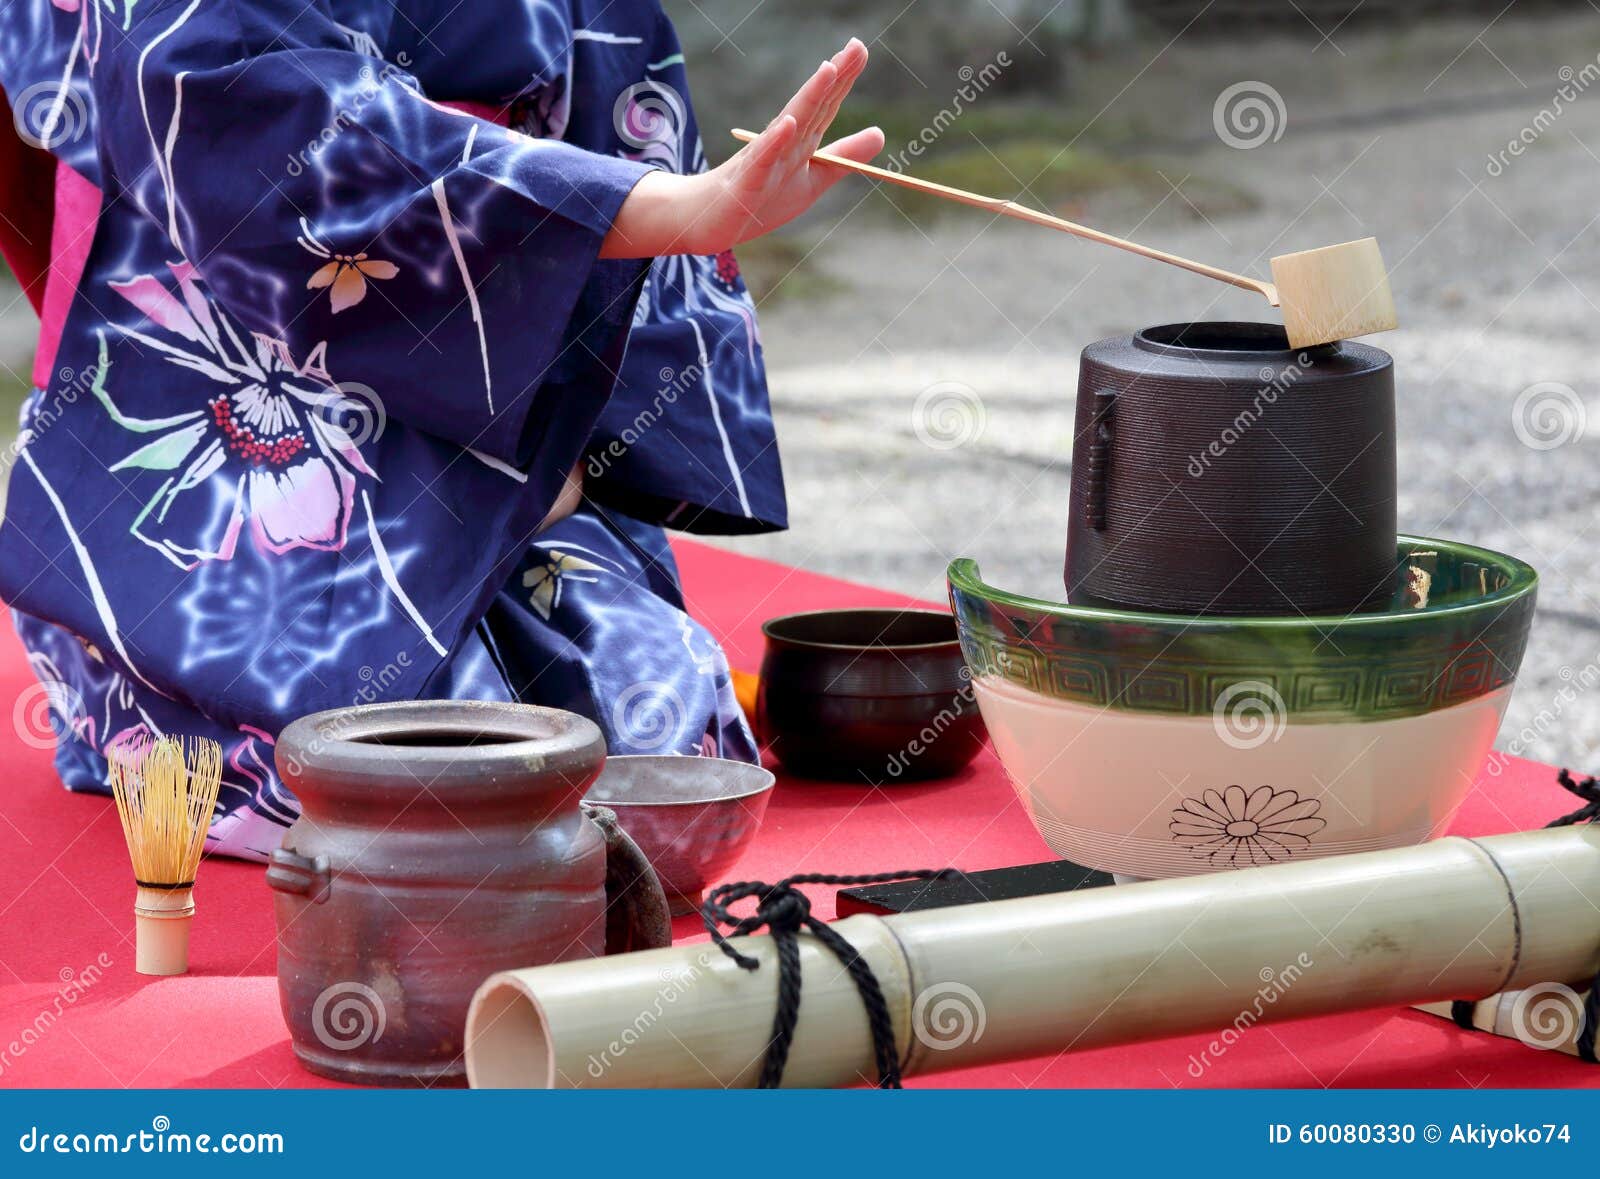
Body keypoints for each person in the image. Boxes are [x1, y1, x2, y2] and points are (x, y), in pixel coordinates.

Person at [0, 1, 883, 859]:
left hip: (487, 363)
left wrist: (573, 420)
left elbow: (607, 64)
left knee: (656, 734)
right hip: (230, 355)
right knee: (413, 784)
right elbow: (237, 105)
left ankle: (525, 511)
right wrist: (665, 209)